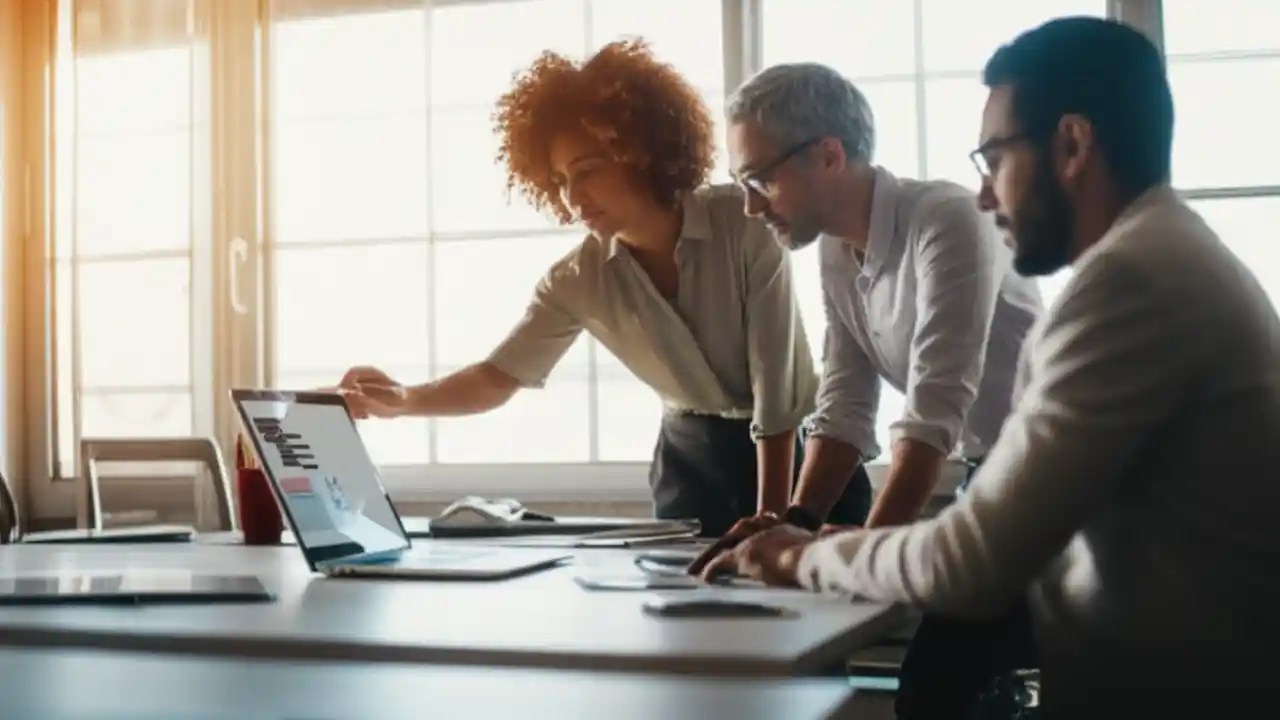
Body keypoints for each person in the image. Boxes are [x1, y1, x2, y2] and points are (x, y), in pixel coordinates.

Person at [703, 17, 1280, 717]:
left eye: (995, 159)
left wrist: (799, 558)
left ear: (1072, 145)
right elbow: (850, 402)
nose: (984, 196)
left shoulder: (1131, 281)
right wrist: (800, 525)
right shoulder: (1161, 253)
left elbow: (972, 561)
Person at [337, 40, 871, 538]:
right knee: (688, 610)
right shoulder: (576, 279)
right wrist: (403, 401)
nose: (572, 198)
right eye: (560, 181)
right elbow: (496, 378)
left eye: (587, 171)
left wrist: (773, 520)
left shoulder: (745, 217)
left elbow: (775, 389)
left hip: (802, 466)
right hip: (691, 468)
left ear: (643, 152)